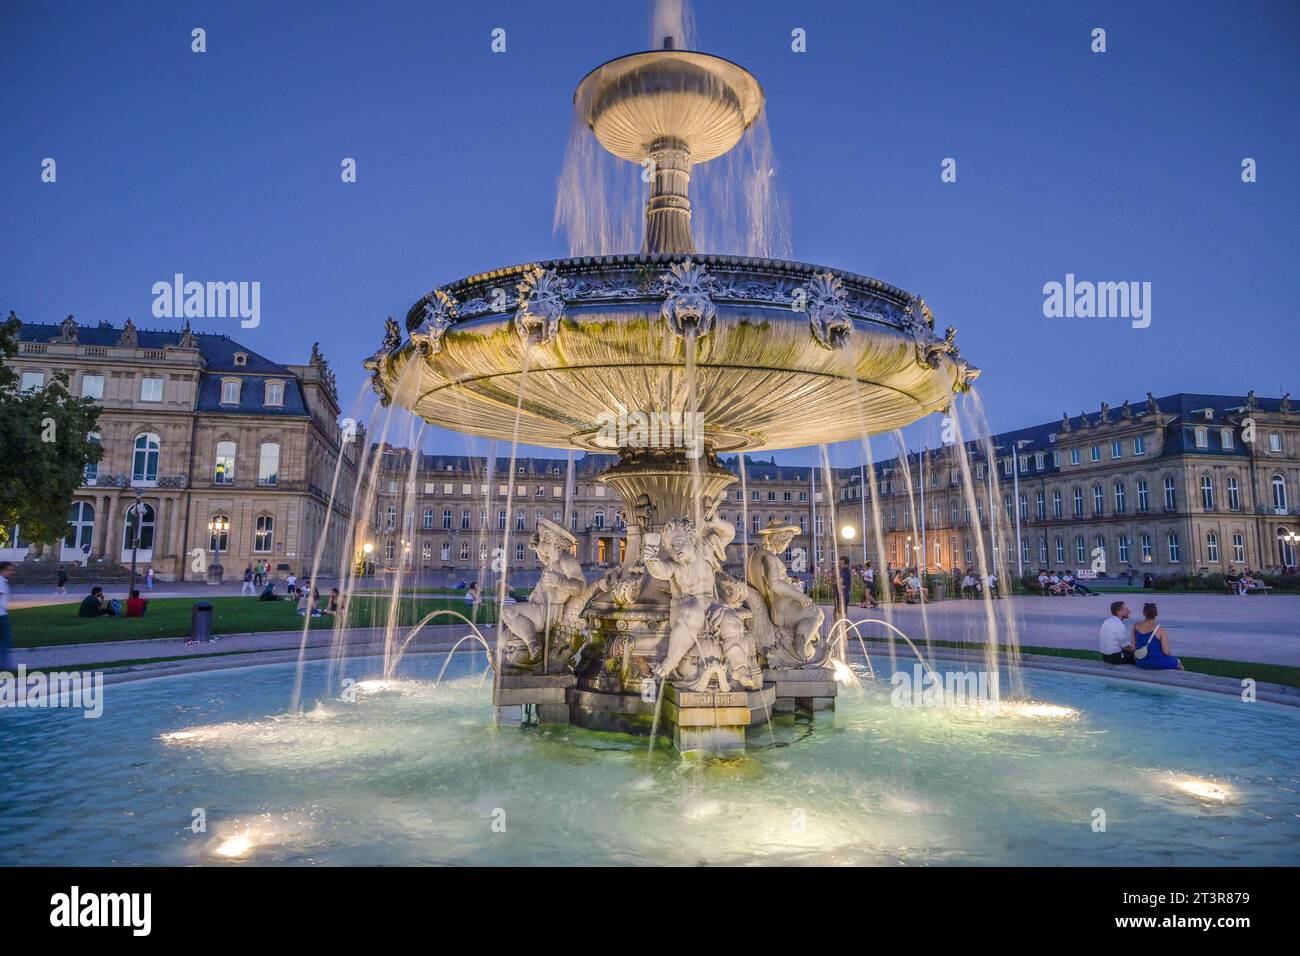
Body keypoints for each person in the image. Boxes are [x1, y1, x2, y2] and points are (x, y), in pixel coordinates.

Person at [1133, 603, 1183, 670]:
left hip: (1141, 662)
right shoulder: (1159, 629)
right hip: (1157, 662)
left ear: (1144, 613)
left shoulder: (1135, 626)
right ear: (1156, 614)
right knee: (1177, 662)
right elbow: (1166, 652)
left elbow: (1133, 647)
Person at [1099, 600, 1135, 665]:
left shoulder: (1107, 621)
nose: (1129, 612)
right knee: (1139, 657)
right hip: (1114, 658)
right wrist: (1135, 649)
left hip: (1105, 656)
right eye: (1126, 610)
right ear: (1119, 611)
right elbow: (1126, 647)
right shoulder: (1118, 625)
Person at [0, 561, 14, 671]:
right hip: (1, 615)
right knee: (6, 640)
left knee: (5, 640)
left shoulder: (3, 582)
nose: (11, 572)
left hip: (3, 614)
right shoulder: (1, 582)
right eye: (8, 570)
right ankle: (3, 665)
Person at [835, 556, 852, 621]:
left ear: (846, 564)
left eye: (841, 563)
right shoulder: (843, 571)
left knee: (842, 615)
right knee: (837, 613)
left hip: (844, 596)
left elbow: (839, 581)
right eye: (839, 563)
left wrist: (836, 581)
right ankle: (839, 629)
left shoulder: (846, 572)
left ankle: (846, 630)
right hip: (841, 596)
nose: (840, 565)